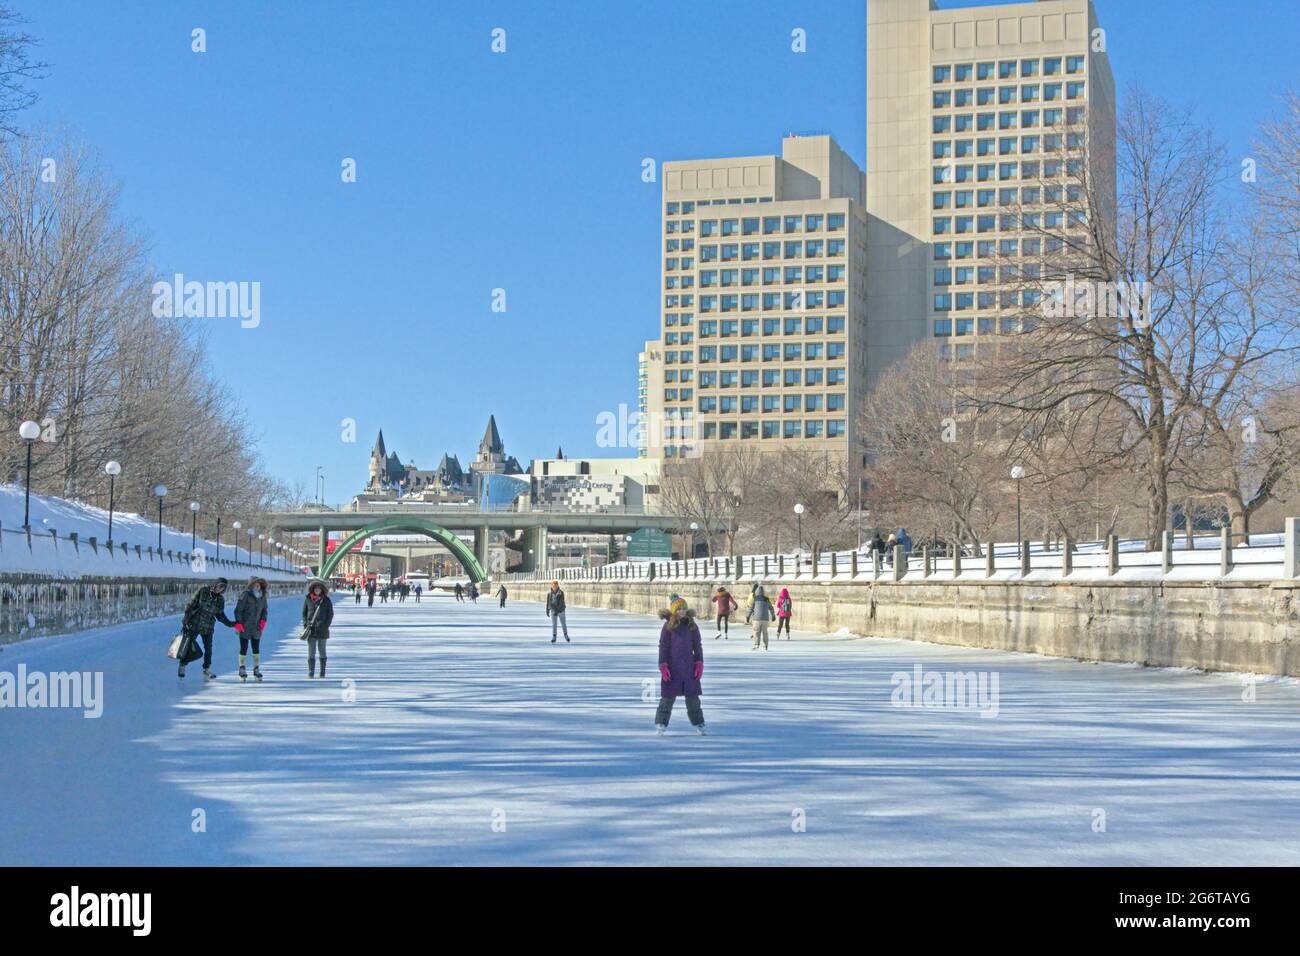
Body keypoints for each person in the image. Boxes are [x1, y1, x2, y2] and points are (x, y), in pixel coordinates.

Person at [656, 595, 706, 736]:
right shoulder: (667, 627)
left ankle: (699, 723)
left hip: (689, 669)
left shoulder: (692, 625)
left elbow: (697, 646)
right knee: (667, 698)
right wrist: (663, 665)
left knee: (693, 699)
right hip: (673, 669)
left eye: (684, 608)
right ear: (674, 611)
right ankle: (661, 723)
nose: (682, 611)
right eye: (679, 609)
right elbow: (663, 647)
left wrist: (699, 663)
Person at [179, 577, 235, 680]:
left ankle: (206, 670)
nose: (221, 589)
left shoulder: (220, 600)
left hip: (208, 627)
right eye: (220, 586)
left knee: (208, 649)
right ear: (216, 584)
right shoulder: (203, 591)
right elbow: (191, 604)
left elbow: (220, 616)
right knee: (187, 645)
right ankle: (183, 664)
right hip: (195, 623)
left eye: (223, 588)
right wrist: (186, 618)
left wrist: (231, 624)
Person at [233, 576, 268, 682]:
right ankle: (242, 668)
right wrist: (239, 623)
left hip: (256, 628)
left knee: (256, 649)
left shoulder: (263, 597)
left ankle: (256, 669)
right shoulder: (245, 595)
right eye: (255, 585)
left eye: (259, 585)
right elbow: (238, 610)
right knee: (243, 648)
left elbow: (264, 611)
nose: (258, 587)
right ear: (251, 585)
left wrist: (263, 622)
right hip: (245, 627)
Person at [302, 580, 334, 678]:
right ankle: (311, 672)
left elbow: (330, 614)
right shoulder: (308, 599)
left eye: (319, 588)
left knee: (322, 650)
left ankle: (322, 671)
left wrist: (326, 625)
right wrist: (305, 625)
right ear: (312, 589)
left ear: (321, 589)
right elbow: (304, 613)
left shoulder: (326, 600)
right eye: (315, 588)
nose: (317, 590)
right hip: (311, 630)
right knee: (311, 651)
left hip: (322, 630)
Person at [749, 584, 775, 651]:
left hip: (757, 619)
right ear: (763, 592)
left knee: (756, 632)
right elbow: (771, 608)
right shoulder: (766, 599)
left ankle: (756, 644)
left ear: (756, 592)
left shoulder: (755, 599)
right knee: (765, 632)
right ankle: (766, 645)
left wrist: (747, 616)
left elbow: (751, 608)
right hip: (765, 619)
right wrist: (773, 616)